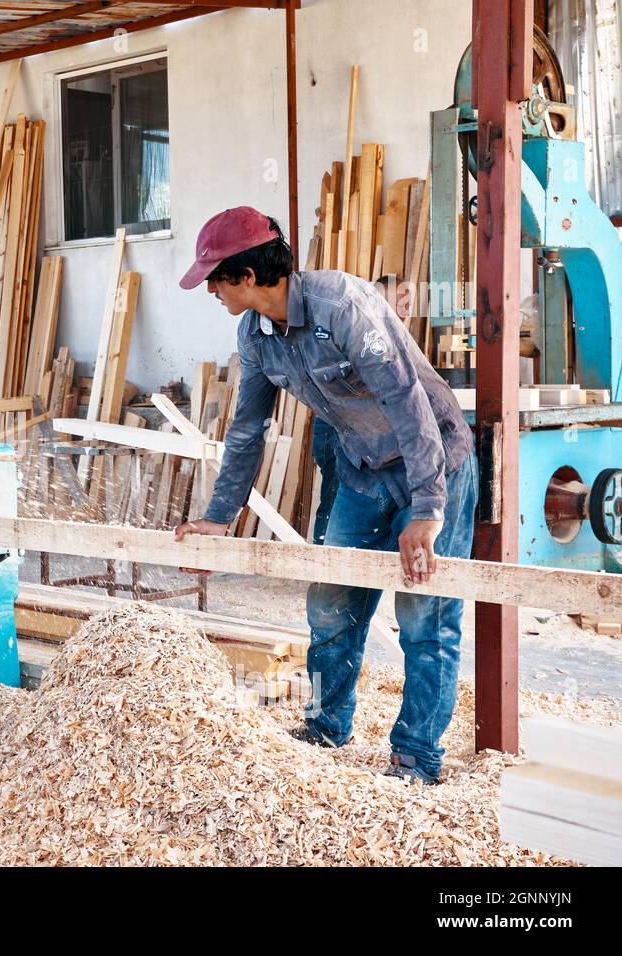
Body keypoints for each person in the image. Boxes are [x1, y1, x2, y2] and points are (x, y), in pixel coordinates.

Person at [175, 207, 476, 785]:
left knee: (424, 619)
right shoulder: (255, 335)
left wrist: (428, 509)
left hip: (433, 462)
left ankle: (416, 757)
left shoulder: (342, 307)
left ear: (246, 275)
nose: (210, 289)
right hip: (362, 468)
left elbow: (409, 402)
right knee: (332, 605)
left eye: (215, 277)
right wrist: (219, 516)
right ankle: (325, 727)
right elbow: (247, 430)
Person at [310, 273, 415, 543]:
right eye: (392, 303)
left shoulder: (390, 335)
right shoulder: (352, 327)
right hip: (338, 426)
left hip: (363, 431)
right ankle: (325, 562)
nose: (399, 312)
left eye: (405, 305)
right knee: (337, 490)